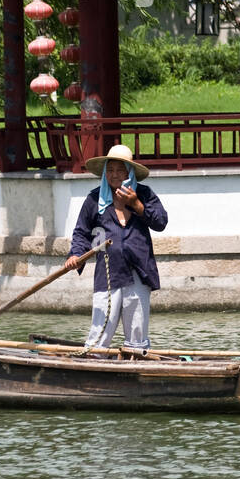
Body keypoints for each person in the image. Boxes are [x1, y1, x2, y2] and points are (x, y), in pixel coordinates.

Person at [64, 144, 168, 351]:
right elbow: (82, 232)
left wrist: (136, 204)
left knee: (137, 326)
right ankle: (94, 356)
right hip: (108, 272)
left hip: (139, 270)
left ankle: (136, 358)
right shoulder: (94, 199)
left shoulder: (144, 195)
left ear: (129, 173)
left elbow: (160, 222)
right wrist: (76, 254)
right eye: (110, 170)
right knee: (102, 321)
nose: (115, 175)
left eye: (121, 170)